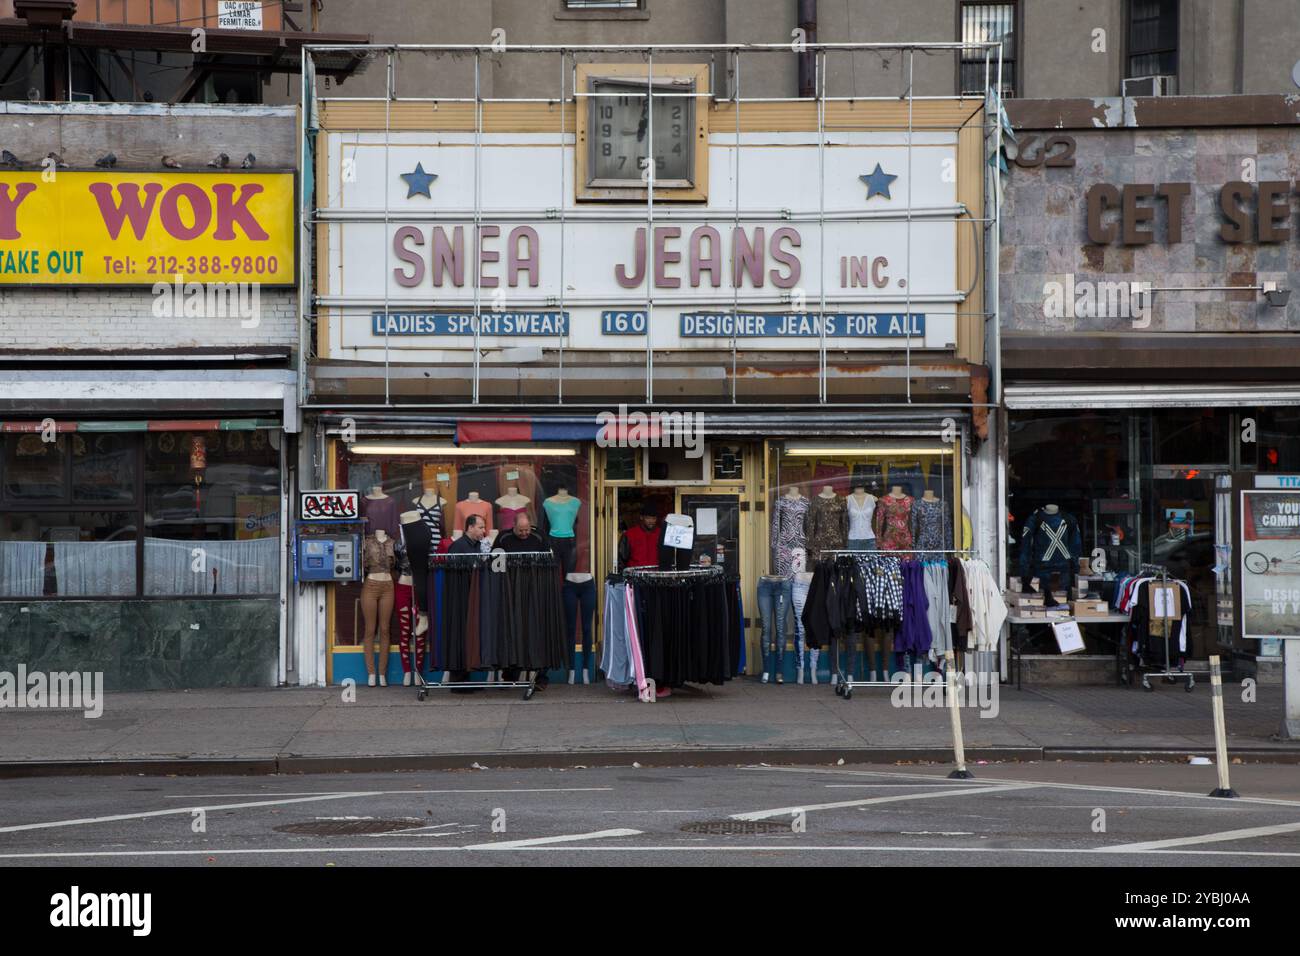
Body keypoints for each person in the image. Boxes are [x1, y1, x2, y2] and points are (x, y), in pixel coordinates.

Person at [496, 513, 554, 689]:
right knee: (512, 632)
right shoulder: (503, 538)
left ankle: (541, 678)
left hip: (535, 591)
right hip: (511, 592)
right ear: (513, 526)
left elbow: (549, 561)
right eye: (520, 530)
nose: (524, 533)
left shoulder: (539, 536)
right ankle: (509, 677)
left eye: (527, 530)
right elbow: (495, 563)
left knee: (537, 631)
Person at [446, 514, 489, 690]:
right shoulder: (458, 547)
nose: (483, 531)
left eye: (484, 527)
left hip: (475, 598)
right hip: (461, 599)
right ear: (470, 527)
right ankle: (457, 682)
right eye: (480, 527)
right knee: (460, 636)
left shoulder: (480, 546)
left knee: (471, 636)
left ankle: (466, 678)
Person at [618, 502, 666, 570]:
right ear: (641, 517)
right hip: (634, 576)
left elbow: (667, 558)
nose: (651, 521)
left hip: (656, 576)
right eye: (648, 518)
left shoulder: (662, 534)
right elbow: (621, 559)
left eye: (654, 518)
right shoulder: (629, 534)